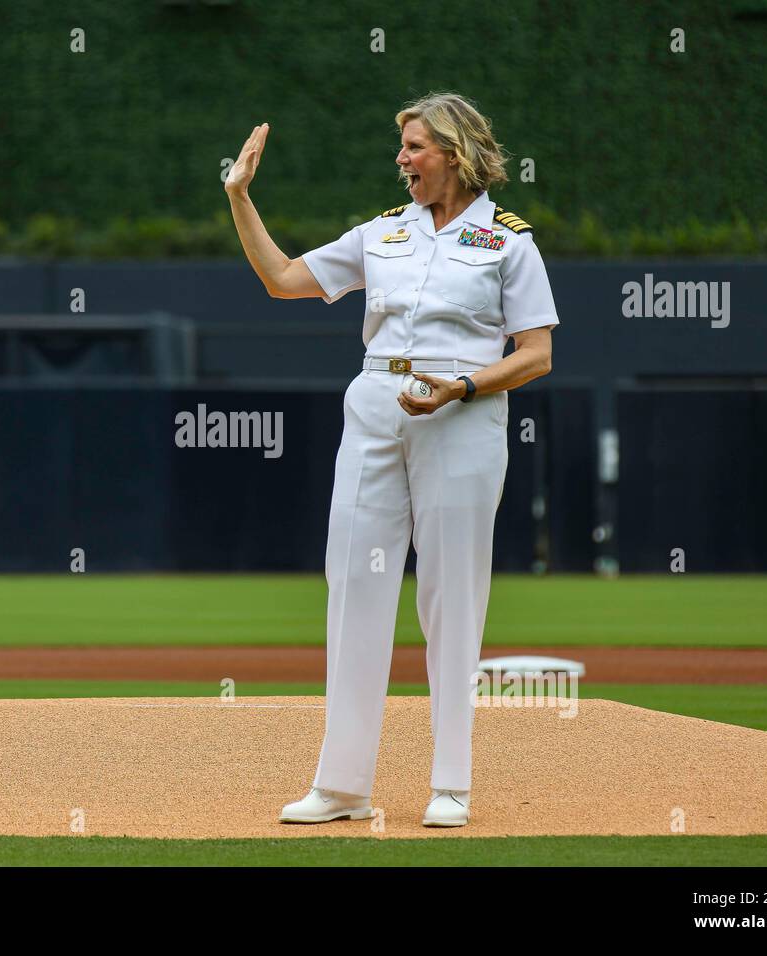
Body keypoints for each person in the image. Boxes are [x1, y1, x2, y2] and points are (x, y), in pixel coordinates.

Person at [224, 92, 557, 827]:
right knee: (352, 584)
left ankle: (451, 785)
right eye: (402, 147)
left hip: (462, 413)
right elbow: (281, 279)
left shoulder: (509, 242)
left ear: (456, 154)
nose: (401, 159)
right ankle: (341, 786)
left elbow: (536, 353)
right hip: (377, 403)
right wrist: (240, 197)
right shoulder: (382, 234)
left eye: (414, 147)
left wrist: (464, 385)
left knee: (452, 595)